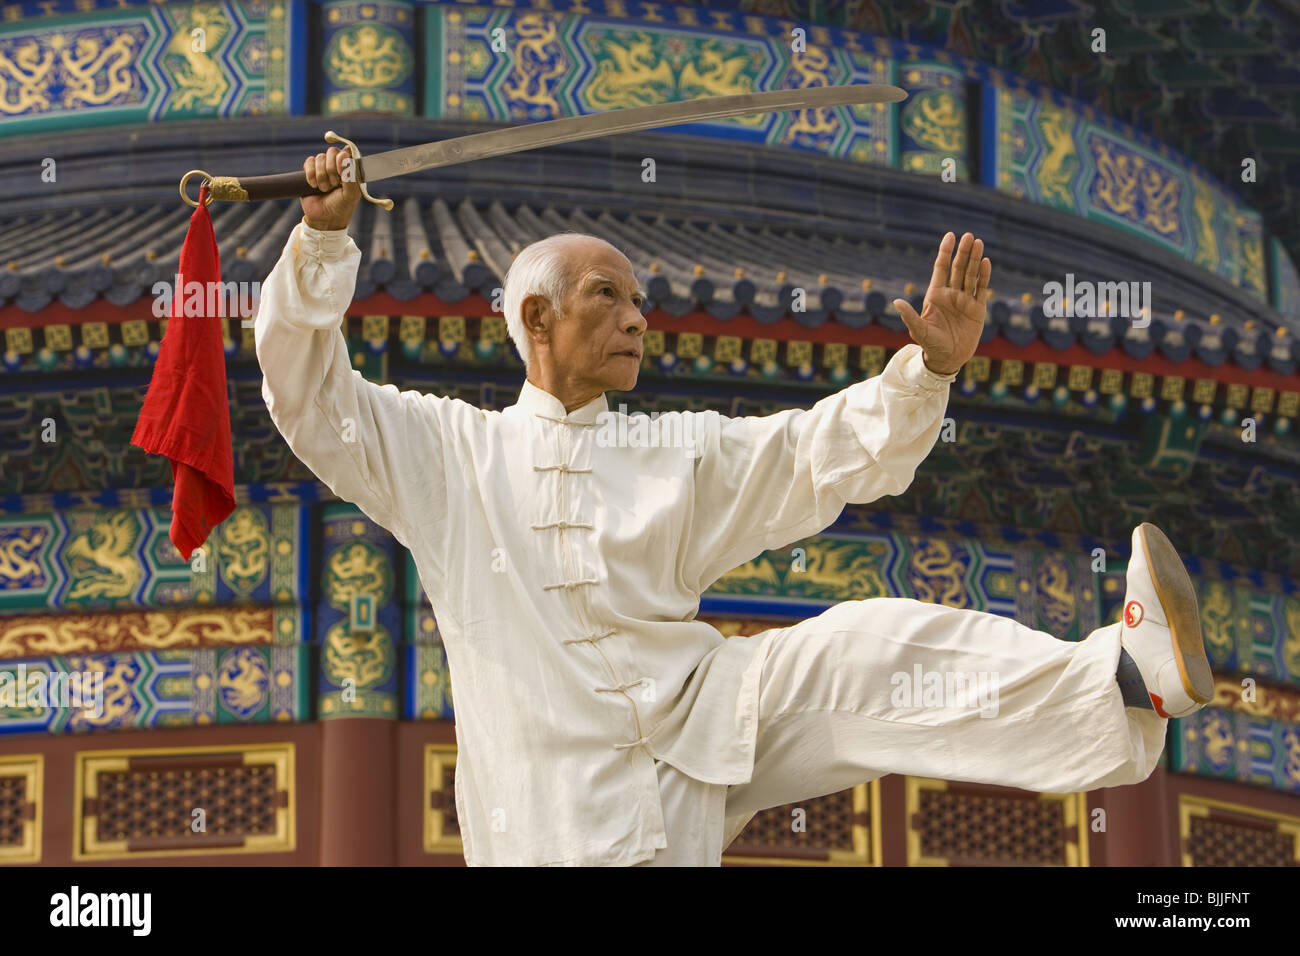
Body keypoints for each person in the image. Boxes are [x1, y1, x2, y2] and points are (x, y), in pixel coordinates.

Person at [252, 147, 1214, 866]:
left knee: (862, 647)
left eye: (640, 300)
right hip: (553, 811)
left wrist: (931, 367)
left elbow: (818, 451)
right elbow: (309, 397)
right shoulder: (449, 453)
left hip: (699, 733)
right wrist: (324, 237)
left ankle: (1126, 679)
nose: (638, 317)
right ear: (536, 319)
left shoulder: (675, 451)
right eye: (608, 296)